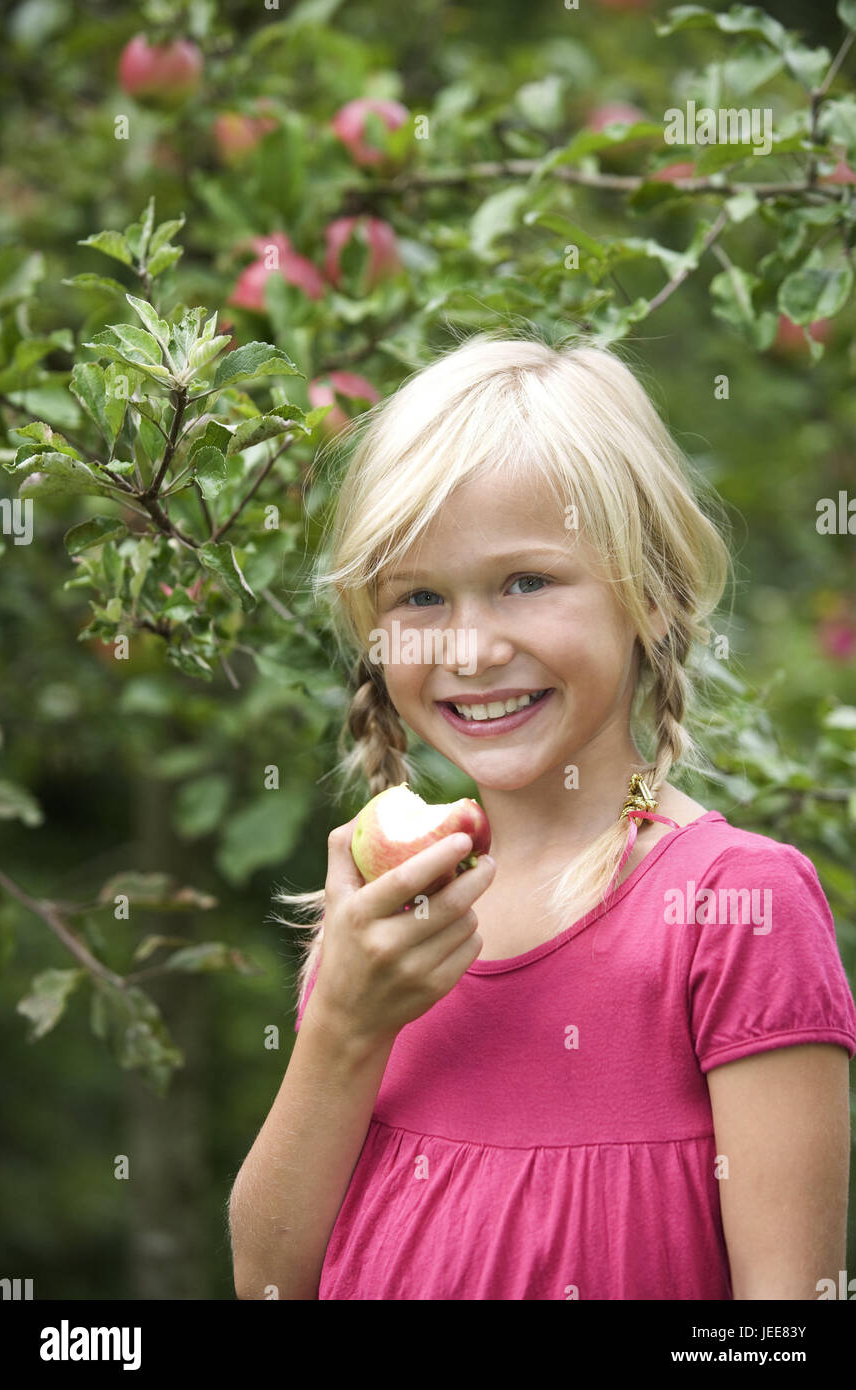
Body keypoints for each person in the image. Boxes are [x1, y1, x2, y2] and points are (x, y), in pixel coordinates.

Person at [229, 330, 856, 1301]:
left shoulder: (736, 906)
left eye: (524, 581)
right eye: (421, 596)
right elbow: (269, 1278)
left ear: (645, 593)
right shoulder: (389, 909)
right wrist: (343, 1026)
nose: (472, 649)